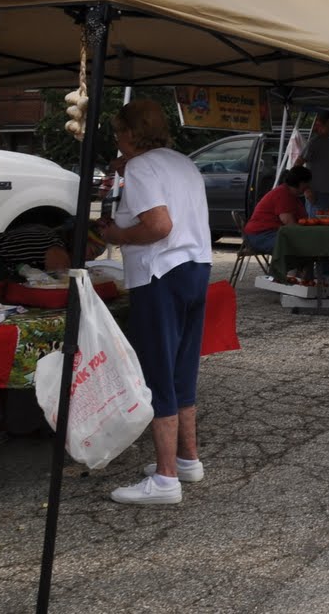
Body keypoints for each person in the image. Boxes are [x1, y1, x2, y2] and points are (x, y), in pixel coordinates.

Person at [96, 98, 214, 505]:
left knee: (158, 372)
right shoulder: (182, 162)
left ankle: (165, 480)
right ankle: (187, 459)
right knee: (183, 367)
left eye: (117, 133)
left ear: (129, 134)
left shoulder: (143, 167)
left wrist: (116, 236)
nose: (117, 141)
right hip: (196, 269)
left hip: (159, 274)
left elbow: (159, 226)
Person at [0, 222, 102, 273]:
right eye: (92, 251)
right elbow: (62, 280)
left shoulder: (46, 231)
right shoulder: (55, 247)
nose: (90, 258)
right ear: (78, 240)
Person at [241, 166, 314, 254]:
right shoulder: (283, 194)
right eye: (307, 183)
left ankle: (301, 267)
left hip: (268, 234)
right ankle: (282, 267)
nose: (309, 186)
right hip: (259, 236)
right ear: (301, 183)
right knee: (295, 244)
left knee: (303, 243)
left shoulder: (291, 194)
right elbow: (288, 222)